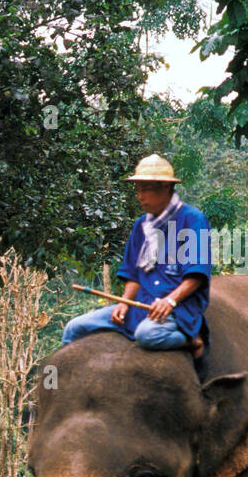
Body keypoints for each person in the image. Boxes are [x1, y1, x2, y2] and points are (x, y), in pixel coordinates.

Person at [63, 154, 211, 359]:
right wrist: (124, 303)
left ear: (165, 188)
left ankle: (191, 341)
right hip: (140, 306)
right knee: (73, 328)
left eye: (145, 189)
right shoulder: (141, 225)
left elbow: (196, 275)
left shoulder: (193, 220)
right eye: (138, 190)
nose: (140, 196)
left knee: (147, 335)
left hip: (177, 310)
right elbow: (133, 275)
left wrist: (169, 301)